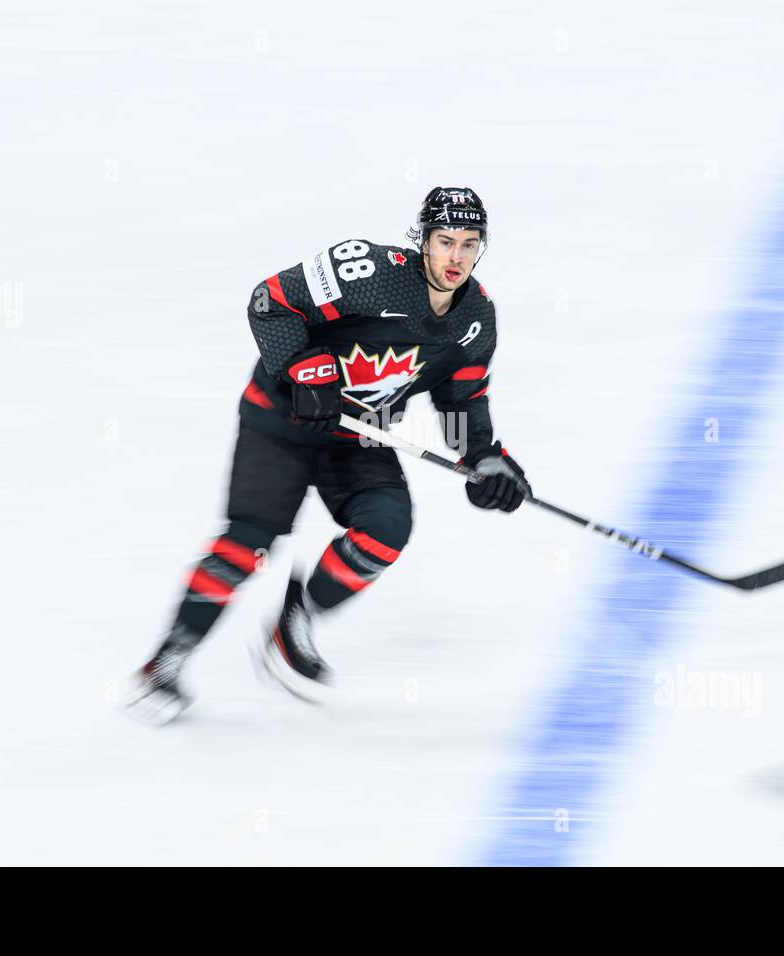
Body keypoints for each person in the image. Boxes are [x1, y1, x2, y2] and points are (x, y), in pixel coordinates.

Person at [124, 186, 531, 725]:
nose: (456, 257)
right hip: (278, 425)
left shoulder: (474, 317)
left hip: (355, 437)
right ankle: (169, 656)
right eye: (445, 241)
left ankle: (297, 620)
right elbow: (270, 301)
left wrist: (484, 458)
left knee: (386, 529)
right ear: (423, 240)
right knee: (248, 541)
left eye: (469, 244)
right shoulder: (370, 272)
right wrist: (301, 367)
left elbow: (461, 397)